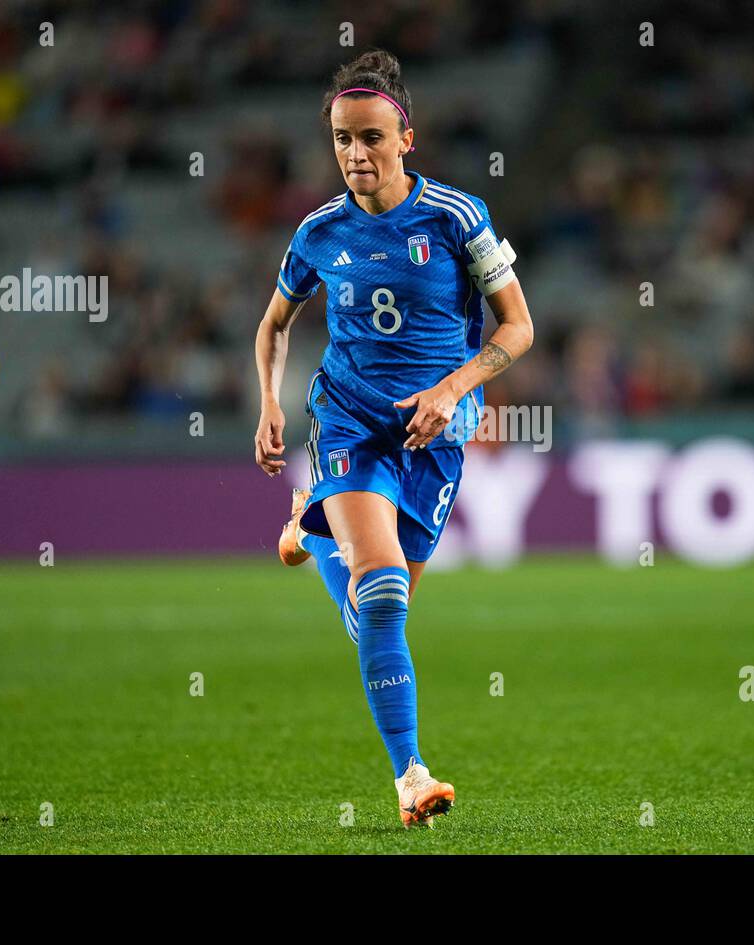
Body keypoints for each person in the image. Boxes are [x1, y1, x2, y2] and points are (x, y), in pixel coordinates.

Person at [253, 50, 534, 828]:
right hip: (346, 417)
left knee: (383, 605)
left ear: (407, 137)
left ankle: (313, 530)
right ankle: (411, 774)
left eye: (372, 137)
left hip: (435, 432)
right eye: (343, 140)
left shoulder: (456, 217)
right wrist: (270, 404)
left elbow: (519, 325)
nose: (355, 154)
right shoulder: (320, 231)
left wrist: (451, 389)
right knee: (378, 588)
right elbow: (276, 323)